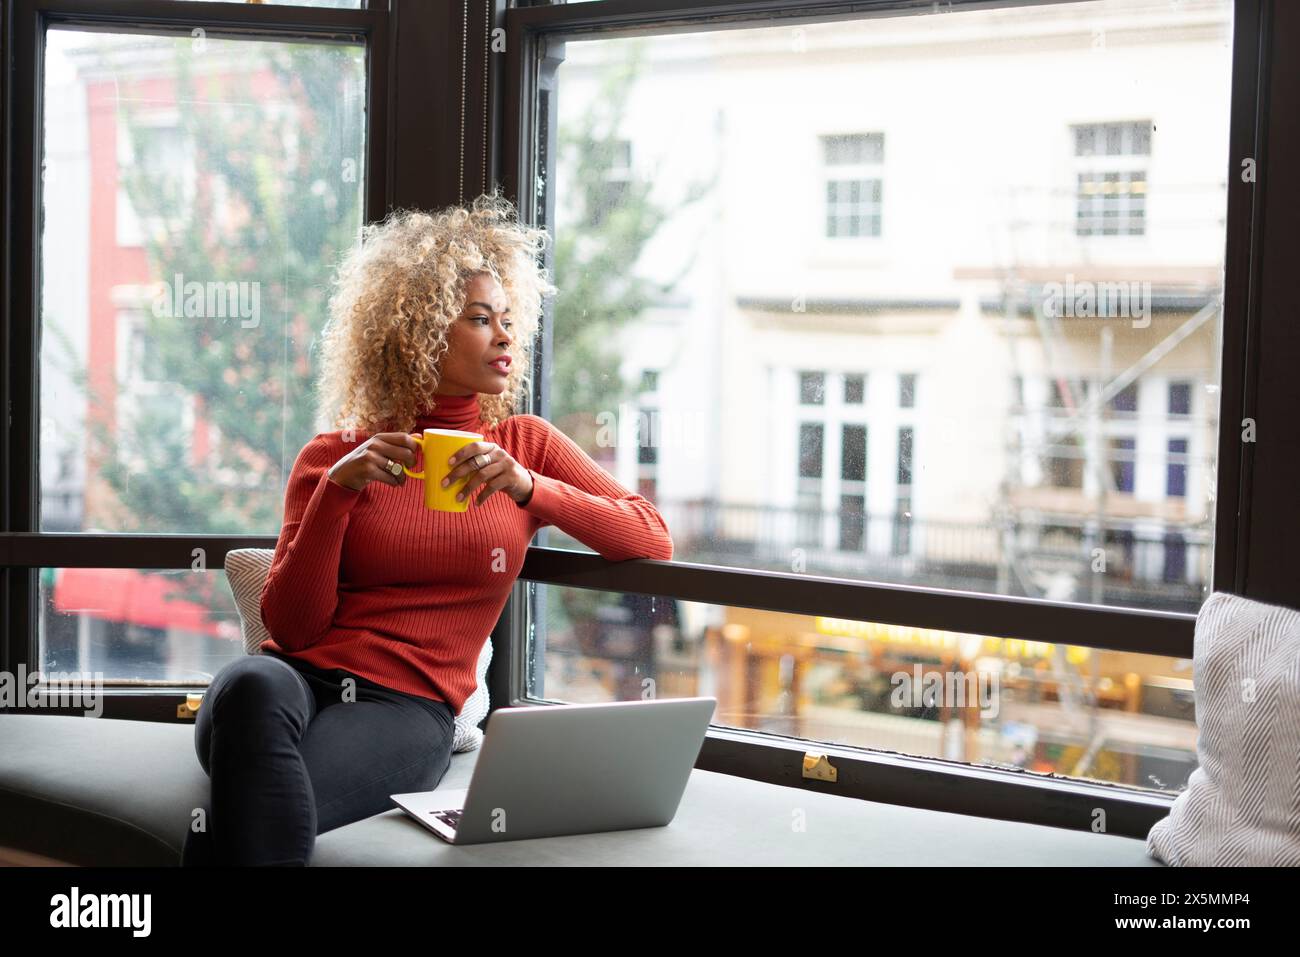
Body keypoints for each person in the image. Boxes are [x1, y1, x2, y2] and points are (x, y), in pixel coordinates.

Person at [183, 191, 674, 866]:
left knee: (255, 805)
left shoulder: (525, 445)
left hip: (406, 707)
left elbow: (650, 534)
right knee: (248, 685)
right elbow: (293, 630)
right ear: (418, 331)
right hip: (293, 679)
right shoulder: (334, 457)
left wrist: (530, 487)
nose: (505, 335)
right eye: (480, 319)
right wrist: (337, 495)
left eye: (507, 319)